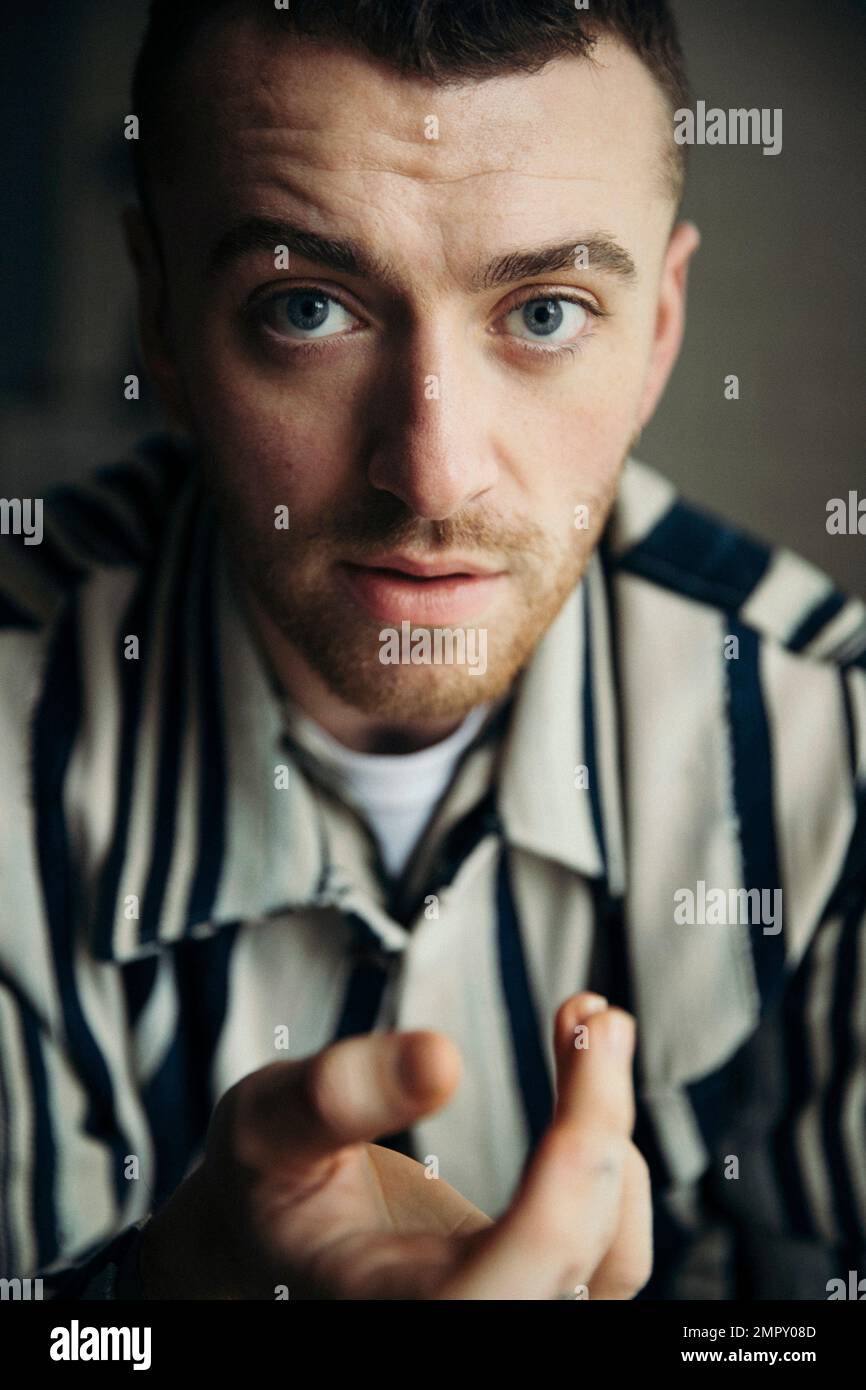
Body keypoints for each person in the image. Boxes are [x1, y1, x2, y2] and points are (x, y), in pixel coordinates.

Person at [1, 0, 863, 1301]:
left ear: (658, 330)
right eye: (306, 308)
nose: (433, 473)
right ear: (162, 320)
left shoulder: (836, 746)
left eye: (546, 313)